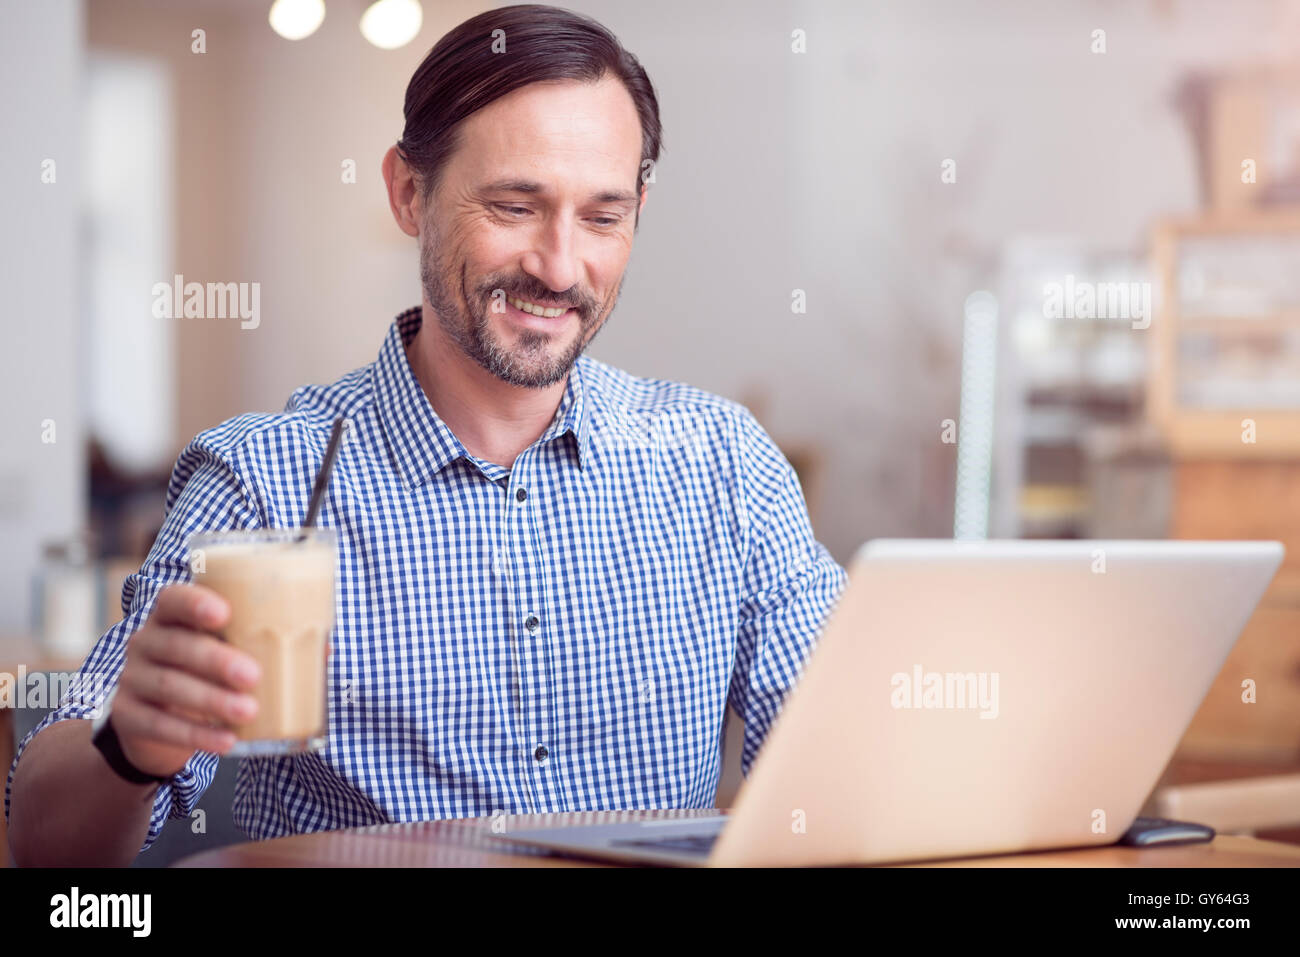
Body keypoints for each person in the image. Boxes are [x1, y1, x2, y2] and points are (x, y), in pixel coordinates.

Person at [6, 3, 846, 866]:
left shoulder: (724, 465)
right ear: (410, 192)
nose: (560, 267)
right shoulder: (263, 479)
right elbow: (48, 851)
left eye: (602, 217)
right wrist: (127, 747)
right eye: (516, 206)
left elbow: (843, 768)